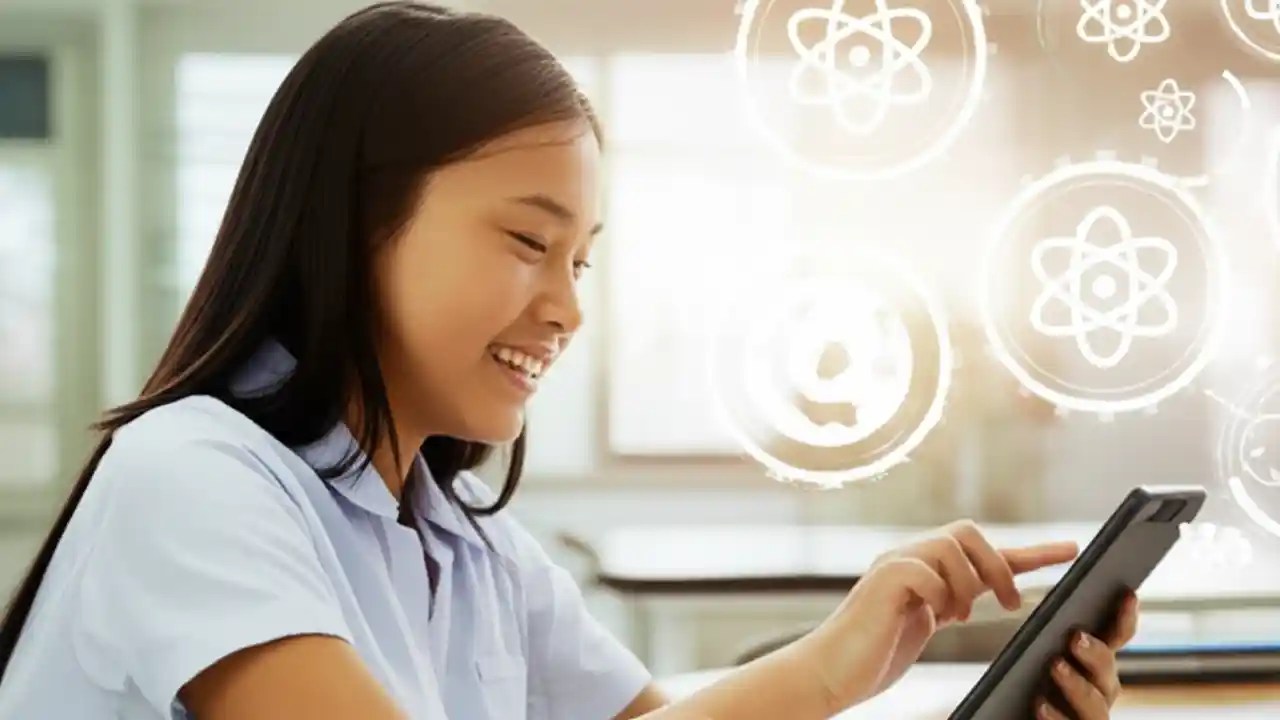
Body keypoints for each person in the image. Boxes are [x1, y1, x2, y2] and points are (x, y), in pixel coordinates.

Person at [0, 3, 1140, 718]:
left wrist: (853, 652)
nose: (565, 310)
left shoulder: (460, 536)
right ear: (353, 226)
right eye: (525, 241)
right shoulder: (189, 475)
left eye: (581, 261)